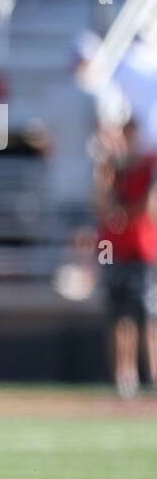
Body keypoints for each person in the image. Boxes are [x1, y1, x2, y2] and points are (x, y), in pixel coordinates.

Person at [96, 119, 157, 397]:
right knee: (119, 316)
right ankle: (125, 375)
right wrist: (106, 168)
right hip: (114, 250)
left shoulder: (148, 166)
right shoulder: (113, 168)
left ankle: (153, 374)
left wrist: (122, 211)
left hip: (143, 251)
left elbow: (148, 206)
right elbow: (100, 203)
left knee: (148, 314)